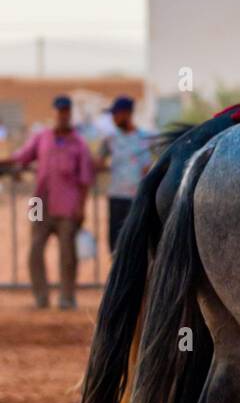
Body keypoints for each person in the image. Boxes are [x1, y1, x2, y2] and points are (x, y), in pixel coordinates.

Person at [1, 95, 94, 309]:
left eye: (66, 111)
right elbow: (22, 156)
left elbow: (85, 179)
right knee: (35, 250)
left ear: (70, 114)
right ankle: (41, 297)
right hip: (39, 202)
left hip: (68, 205)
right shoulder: (41, 137)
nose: (62, 115)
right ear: (54, 113)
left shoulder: (79, 144)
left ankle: (67, 298)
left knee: (68, 254)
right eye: (59, 111)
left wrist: (81, 207)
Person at [98, 96, 153, 250]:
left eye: (116, 114)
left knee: (136, 244)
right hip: (116, 198)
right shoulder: (110, 139)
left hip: (137, 198)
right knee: (115, 244)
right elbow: (99, 162)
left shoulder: (144, 138)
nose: (114, 118)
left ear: (126, 114)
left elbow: (148, 166)